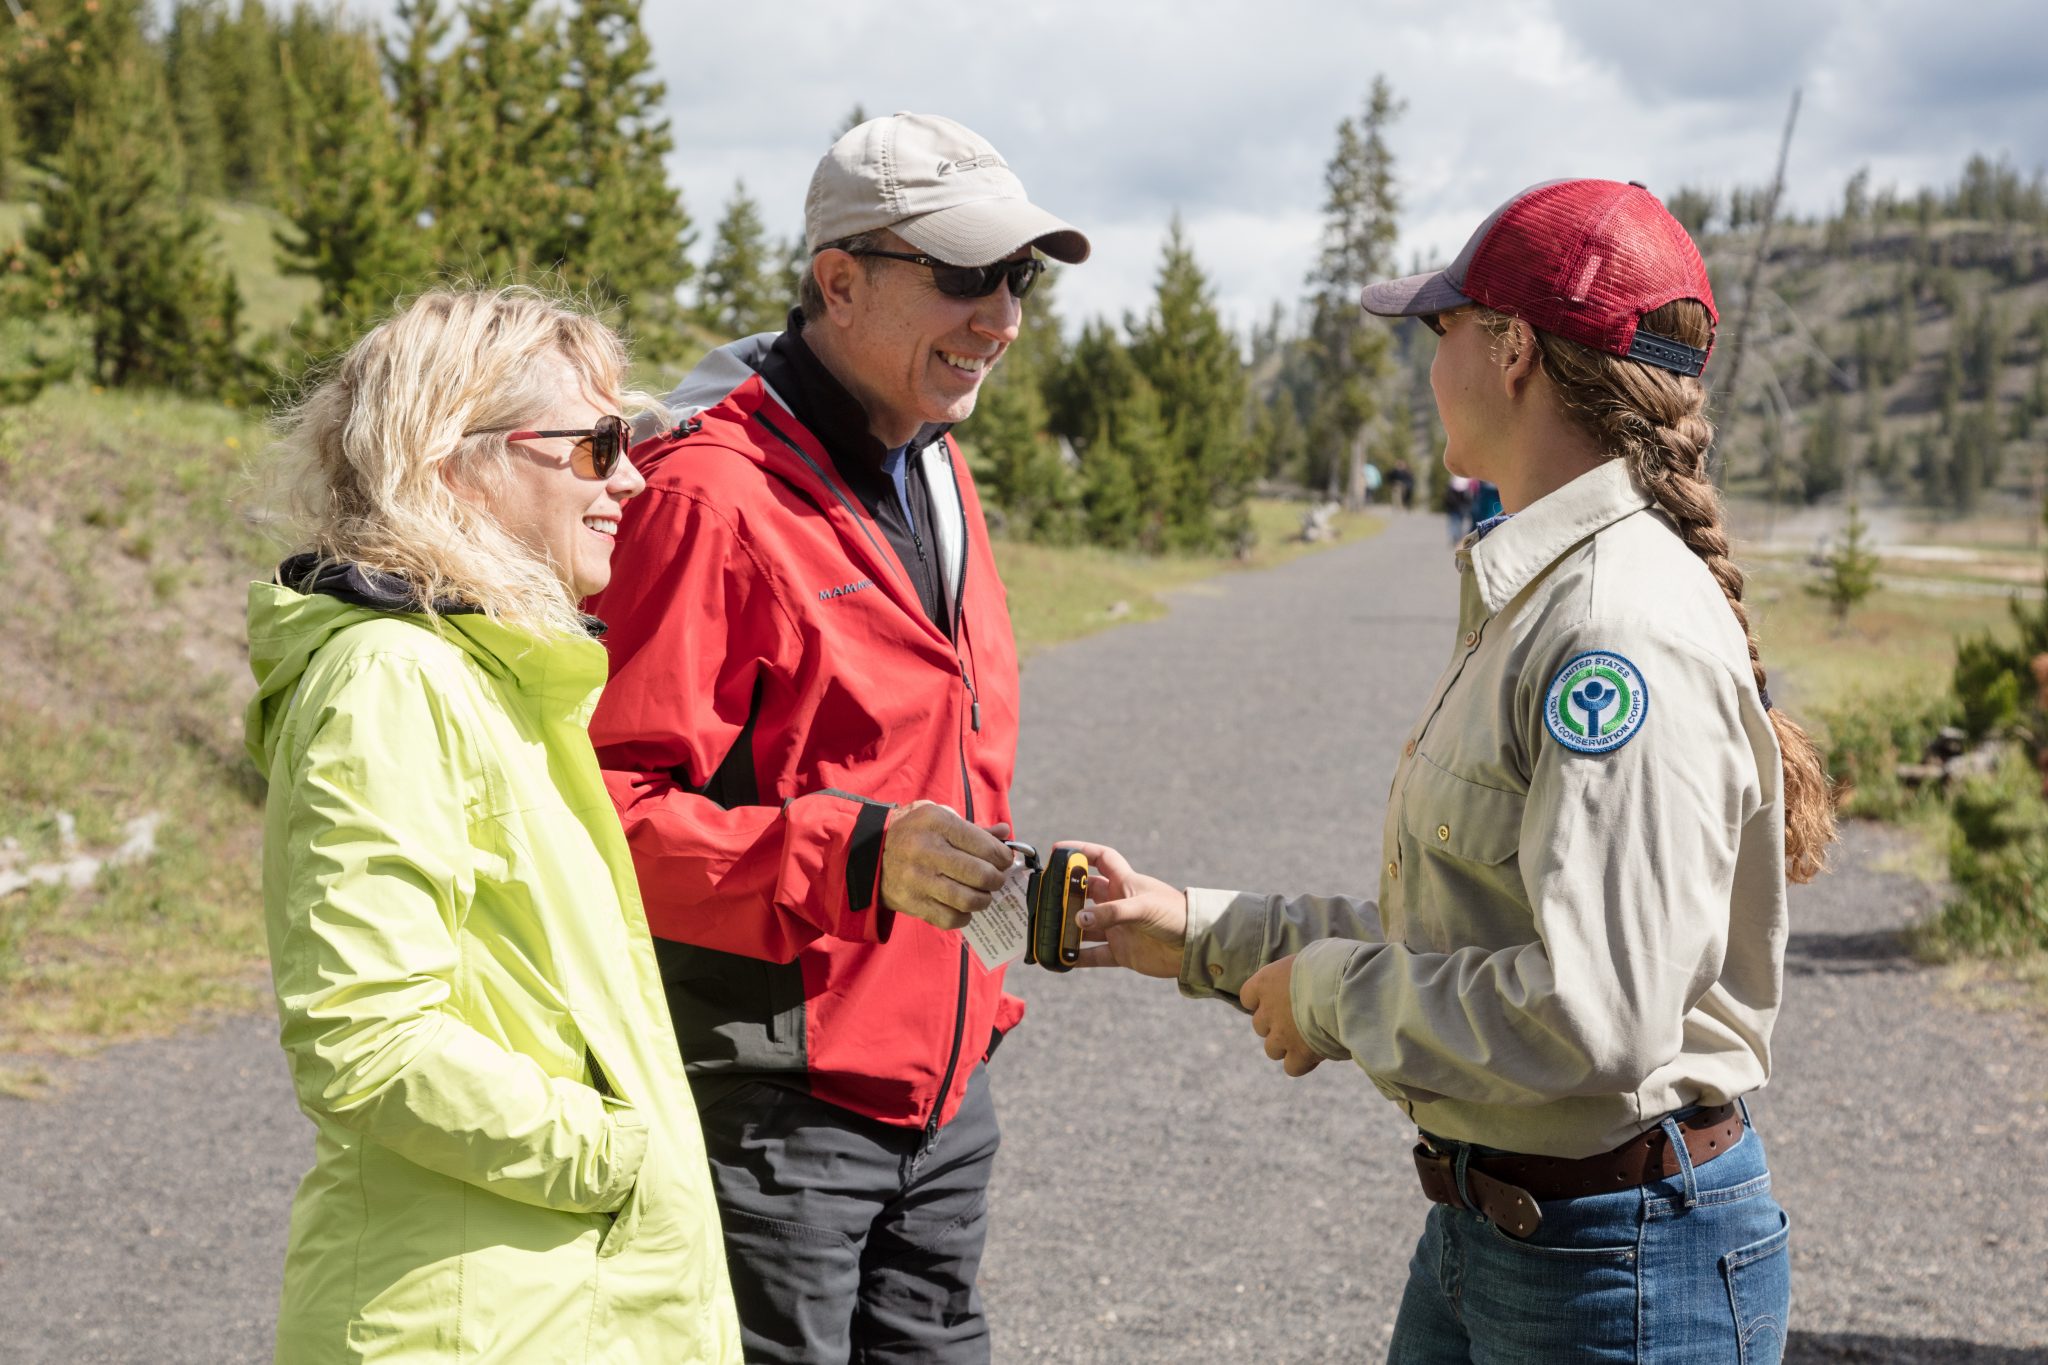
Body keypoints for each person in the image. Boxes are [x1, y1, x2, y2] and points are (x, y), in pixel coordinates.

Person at [1072, 180, 1837, 1363]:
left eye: (1439, 331)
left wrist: (1326, 995)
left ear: (1510, 349)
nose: (1428, 368)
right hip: (1506, 1232)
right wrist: (1195, 932)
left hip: (1614, 1270)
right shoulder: (1541, 592)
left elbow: (1592, 1014)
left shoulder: (1608, 628)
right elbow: (1467, 931)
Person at [585, 112, 1090, 1363]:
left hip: (945, 1091)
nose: (1000, 318)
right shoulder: (706, 497)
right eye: (964, 274)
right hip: (777, 1113)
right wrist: (857, 857)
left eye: (1017, 278)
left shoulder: (935, 466)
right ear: (839, 281)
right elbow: (607, 818)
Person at [244, 288, 740, 1362]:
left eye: (629, 441)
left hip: (541, 1305)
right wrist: (615, 1154)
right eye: (596, 444)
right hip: (474, 1324)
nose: (630, 478)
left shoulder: (488, 673)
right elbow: (367, 1039)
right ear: (453, 462)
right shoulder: (392, 679)